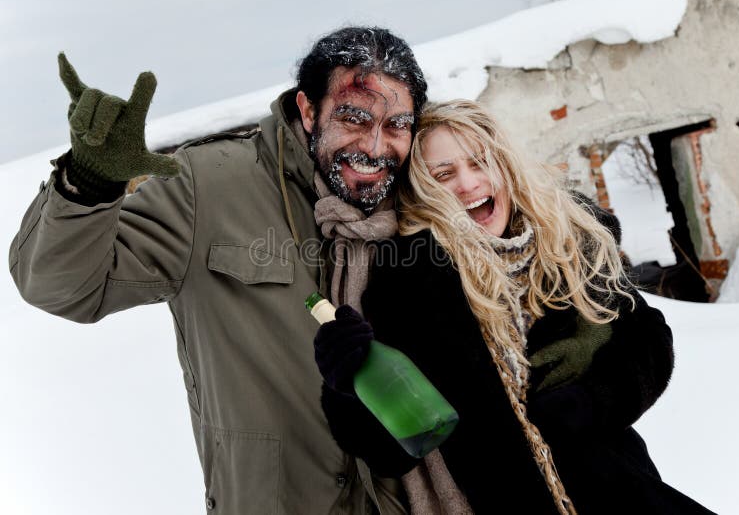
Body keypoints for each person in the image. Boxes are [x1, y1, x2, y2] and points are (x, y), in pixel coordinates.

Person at [9, 27, 428, 514]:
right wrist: (88, 183)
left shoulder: (421, 194)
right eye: (354, 117)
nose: (376, 147)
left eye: (396, 124)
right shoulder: (208, 185)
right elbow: (63, 287)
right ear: (309, 110)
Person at [315, 100, 716, 514]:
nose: (469, 184)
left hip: (627, 490)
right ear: (424, 192)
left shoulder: (568, 240)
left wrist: (591, 402)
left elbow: (647, 340)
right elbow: (395, 452)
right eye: (444, 174)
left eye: (480, 162)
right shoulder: (412, 287)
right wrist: (347, 385)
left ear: (504, 166)